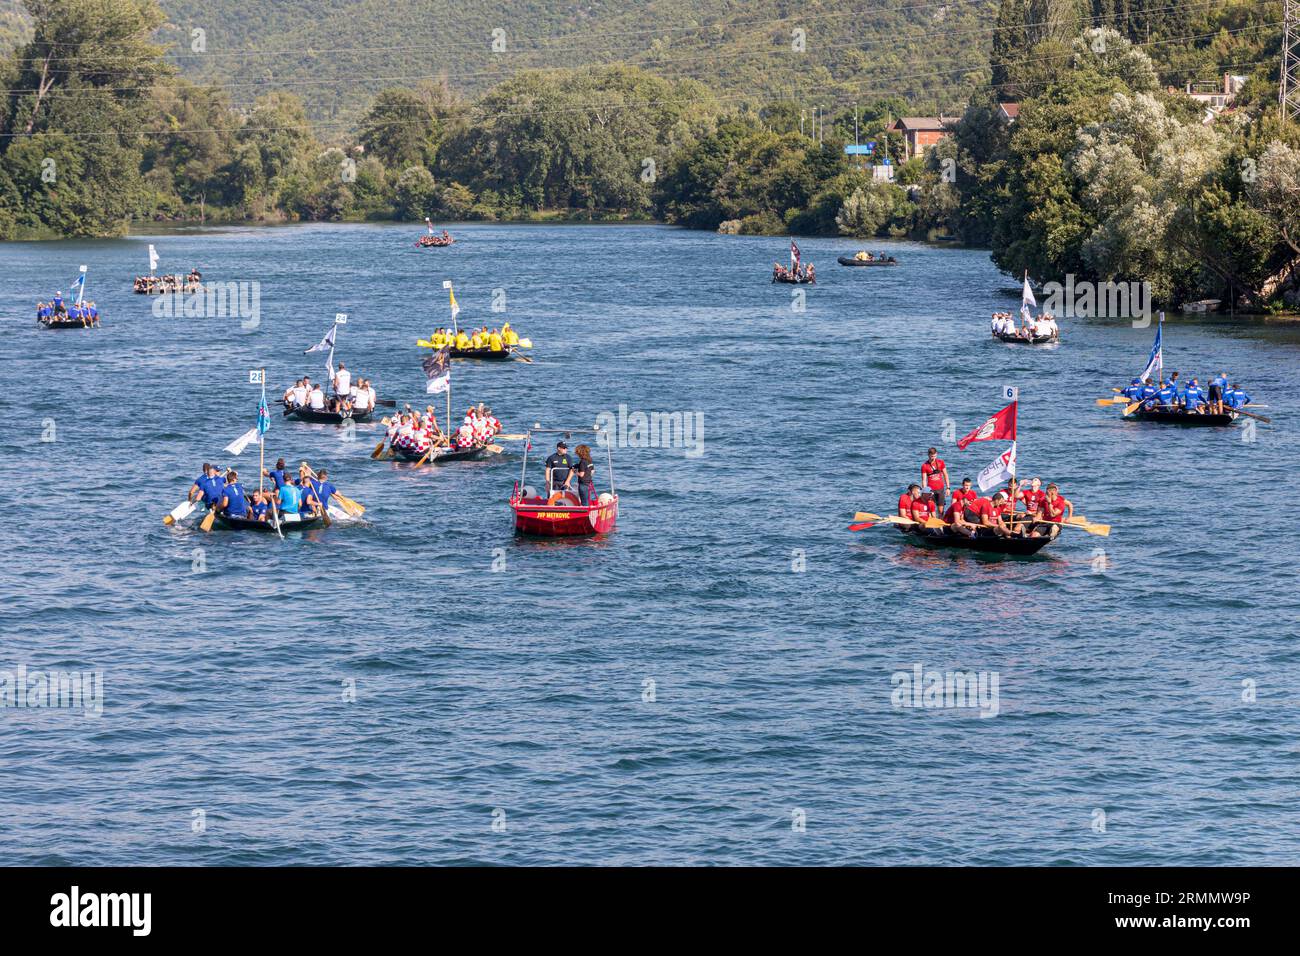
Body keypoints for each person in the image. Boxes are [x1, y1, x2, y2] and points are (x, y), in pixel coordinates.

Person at [921, 447, 949, 514]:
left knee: (941, 510)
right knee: (931, 509)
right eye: (931, 456)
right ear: (928, 455)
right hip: (931, 490)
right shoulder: (924, 466)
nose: (933, 458)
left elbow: (946, 475)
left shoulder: (941, 462)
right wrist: (925, 491)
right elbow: (924, 480)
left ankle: (941, 522)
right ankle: (931, 522)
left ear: (936, 454)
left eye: (934, 456)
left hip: (940, 489)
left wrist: (948, 488)